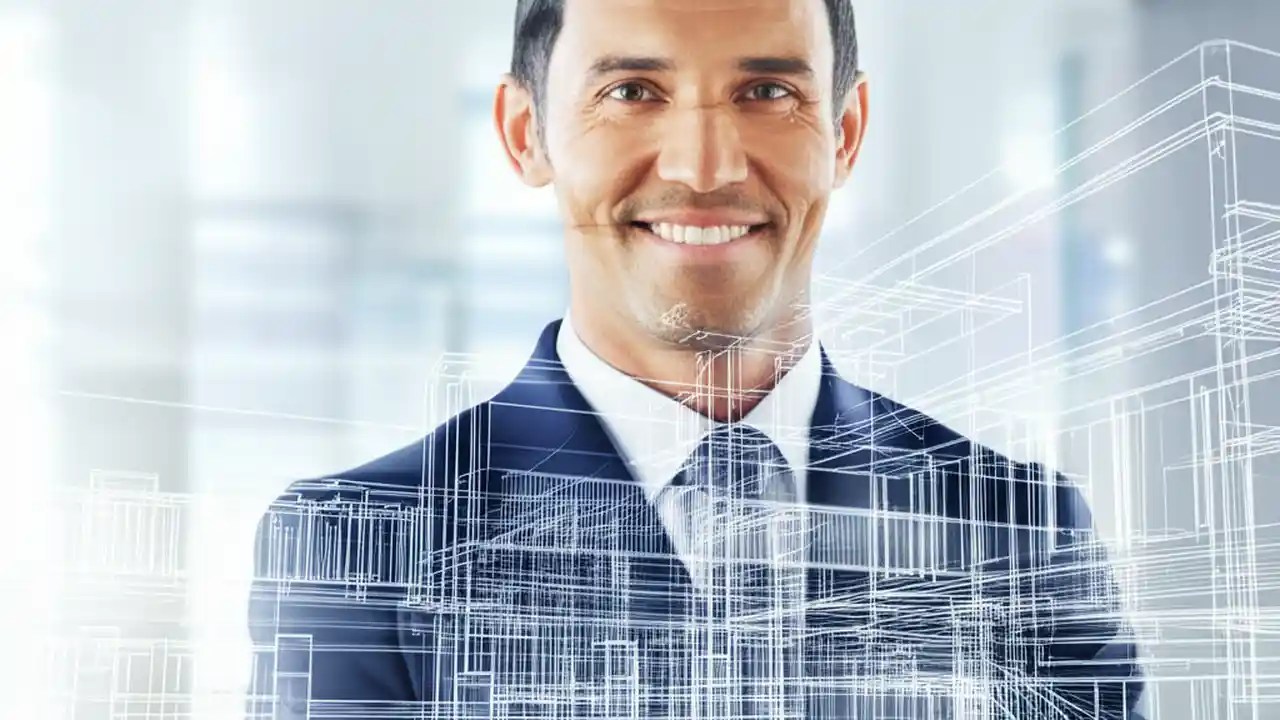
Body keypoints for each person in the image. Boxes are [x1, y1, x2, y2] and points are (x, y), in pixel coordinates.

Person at [248, 0, 1145, 717]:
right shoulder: (358, 548)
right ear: (527, 133)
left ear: (846, 130)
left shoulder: (1018, 532)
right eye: (633, 91)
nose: (706, 166)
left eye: (766, 92)